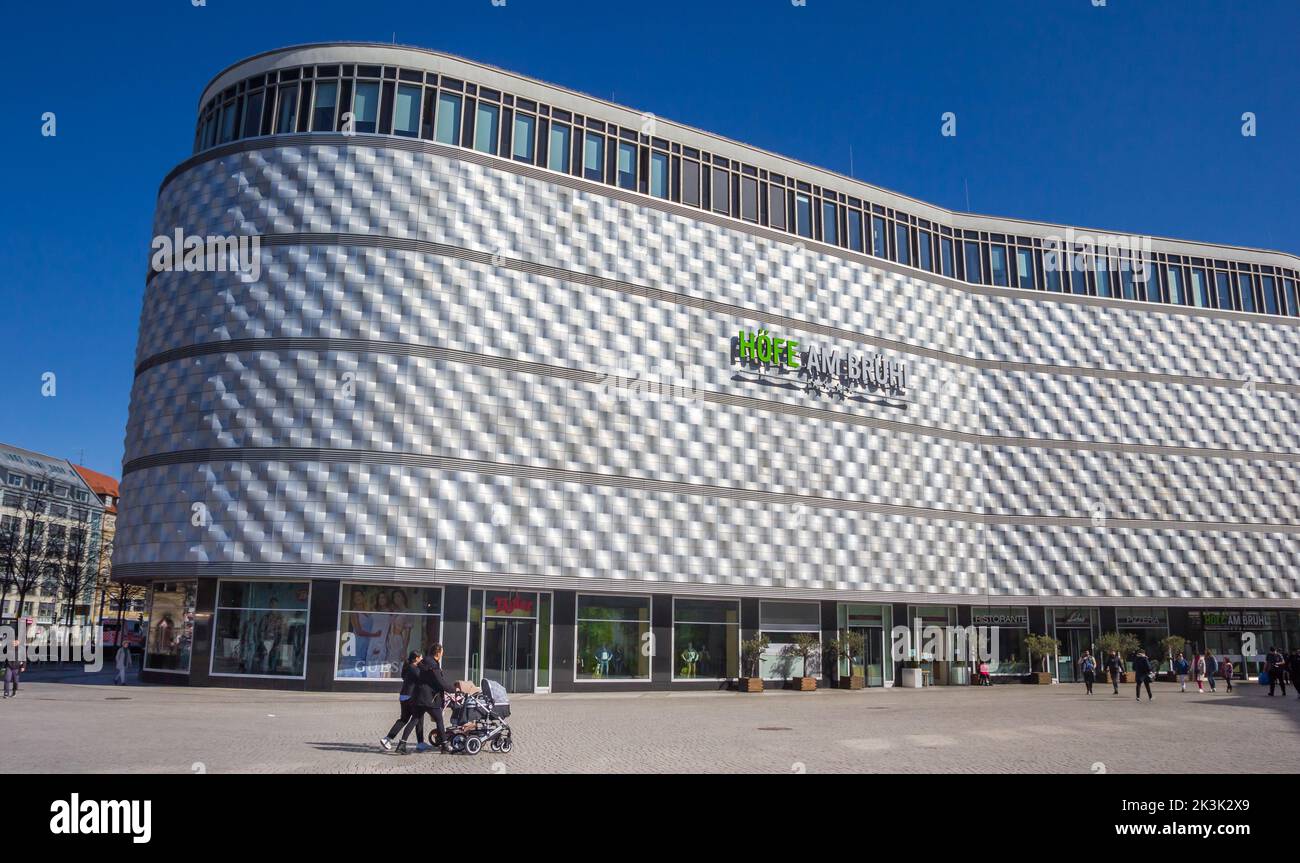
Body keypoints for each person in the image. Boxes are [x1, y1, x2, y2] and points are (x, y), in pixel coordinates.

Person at [408, 643, 458, 753]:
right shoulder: (433, 666)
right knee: (439, 720)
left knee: (415, 720)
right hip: (430, 697)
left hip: (420, 696)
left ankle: (402, 743)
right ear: (438, 653)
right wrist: (455, 690)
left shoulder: (424, 663)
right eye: (442, 652)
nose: (442, 654)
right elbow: (441, 683)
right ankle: (444, 745)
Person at [380, 650, 422, 753]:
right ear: (416, 658)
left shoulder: (408, 667)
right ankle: (416, 743)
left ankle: (387, 739)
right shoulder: (414, 669)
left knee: (404, 719)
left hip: (403, 695)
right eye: (421, 657)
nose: (422, 659)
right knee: (417, 717)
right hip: (410, 696)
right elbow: (422, 679)